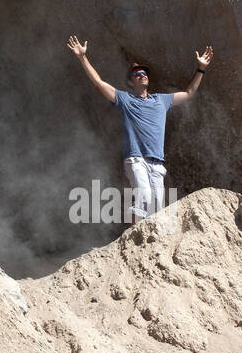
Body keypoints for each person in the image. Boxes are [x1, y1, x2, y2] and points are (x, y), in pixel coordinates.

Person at [66, 37, 214, 222]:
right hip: (136, 159)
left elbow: (189, 93)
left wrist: (201, 68)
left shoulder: (161, 100)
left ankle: (148, 246)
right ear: (130, 82)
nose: (142, 75)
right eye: (137, 74)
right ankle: (132, 244)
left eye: (144, 73)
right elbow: (98, 82)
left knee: (157, 207)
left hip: (157, 163)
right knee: (144, 197)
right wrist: (82, 57)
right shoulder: (125, 100)